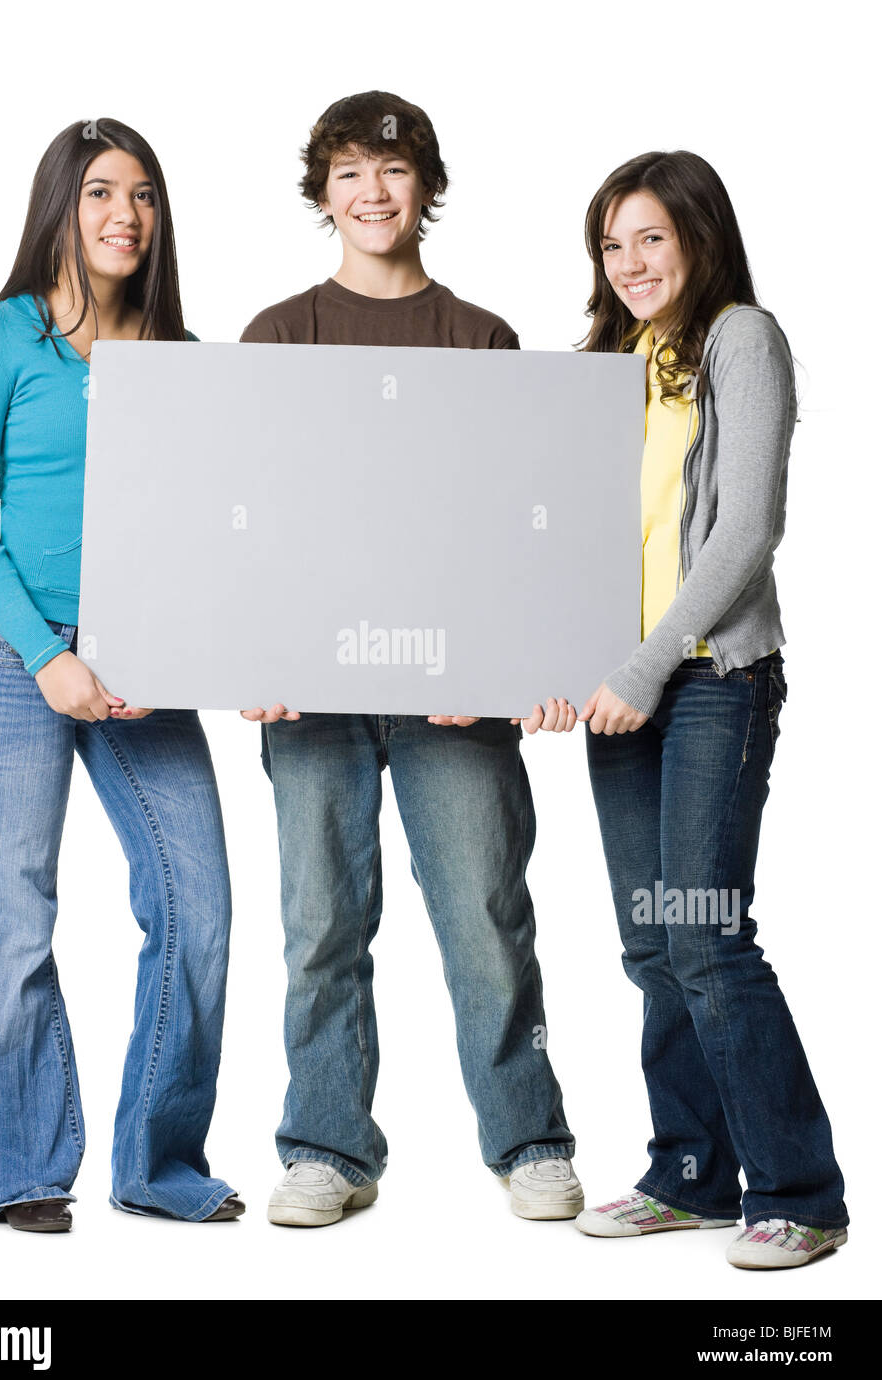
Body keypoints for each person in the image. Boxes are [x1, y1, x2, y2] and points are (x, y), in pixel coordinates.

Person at [240, 90, 582, 1226]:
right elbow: (250, 515)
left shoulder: (478, 337)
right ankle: (327, 1146)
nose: (371, 192)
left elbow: (515, 521)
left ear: (426, 186)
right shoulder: (278, 336)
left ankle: (528, 1135)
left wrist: (509, 659)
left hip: (453, 696)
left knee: (486, 914)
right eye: (347, 173)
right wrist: (251, 649)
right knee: (320, 922)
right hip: (314, 693)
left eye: (390, 171)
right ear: (321, 192)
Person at [541, 149, 846, 1269]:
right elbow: (565, 539)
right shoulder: (611, 366)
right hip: (620, 694)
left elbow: (745, 529)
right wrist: (563, 662)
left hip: (711, 678)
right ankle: (688, 1173)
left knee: (707, 935)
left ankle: (800, 1192)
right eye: (611, 245)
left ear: (697, 239)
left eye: (650, 239)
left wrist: (646, 664)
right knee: (651, 944)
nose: (628, 263)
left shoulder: (741, 340)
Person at [0, 118, 243, 1230]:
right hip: (16, 659)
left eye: (145, 195)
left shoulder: (182, 361)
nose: (126, 215)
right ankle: (18, 1168)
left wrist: (201, 650)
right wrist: (50, 655)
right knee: (14, 910)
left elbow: (218, 533)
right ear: (61, 204)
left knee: (197, 906)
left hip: (148, 662)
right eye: (103, 191)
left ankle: (157, 1165)